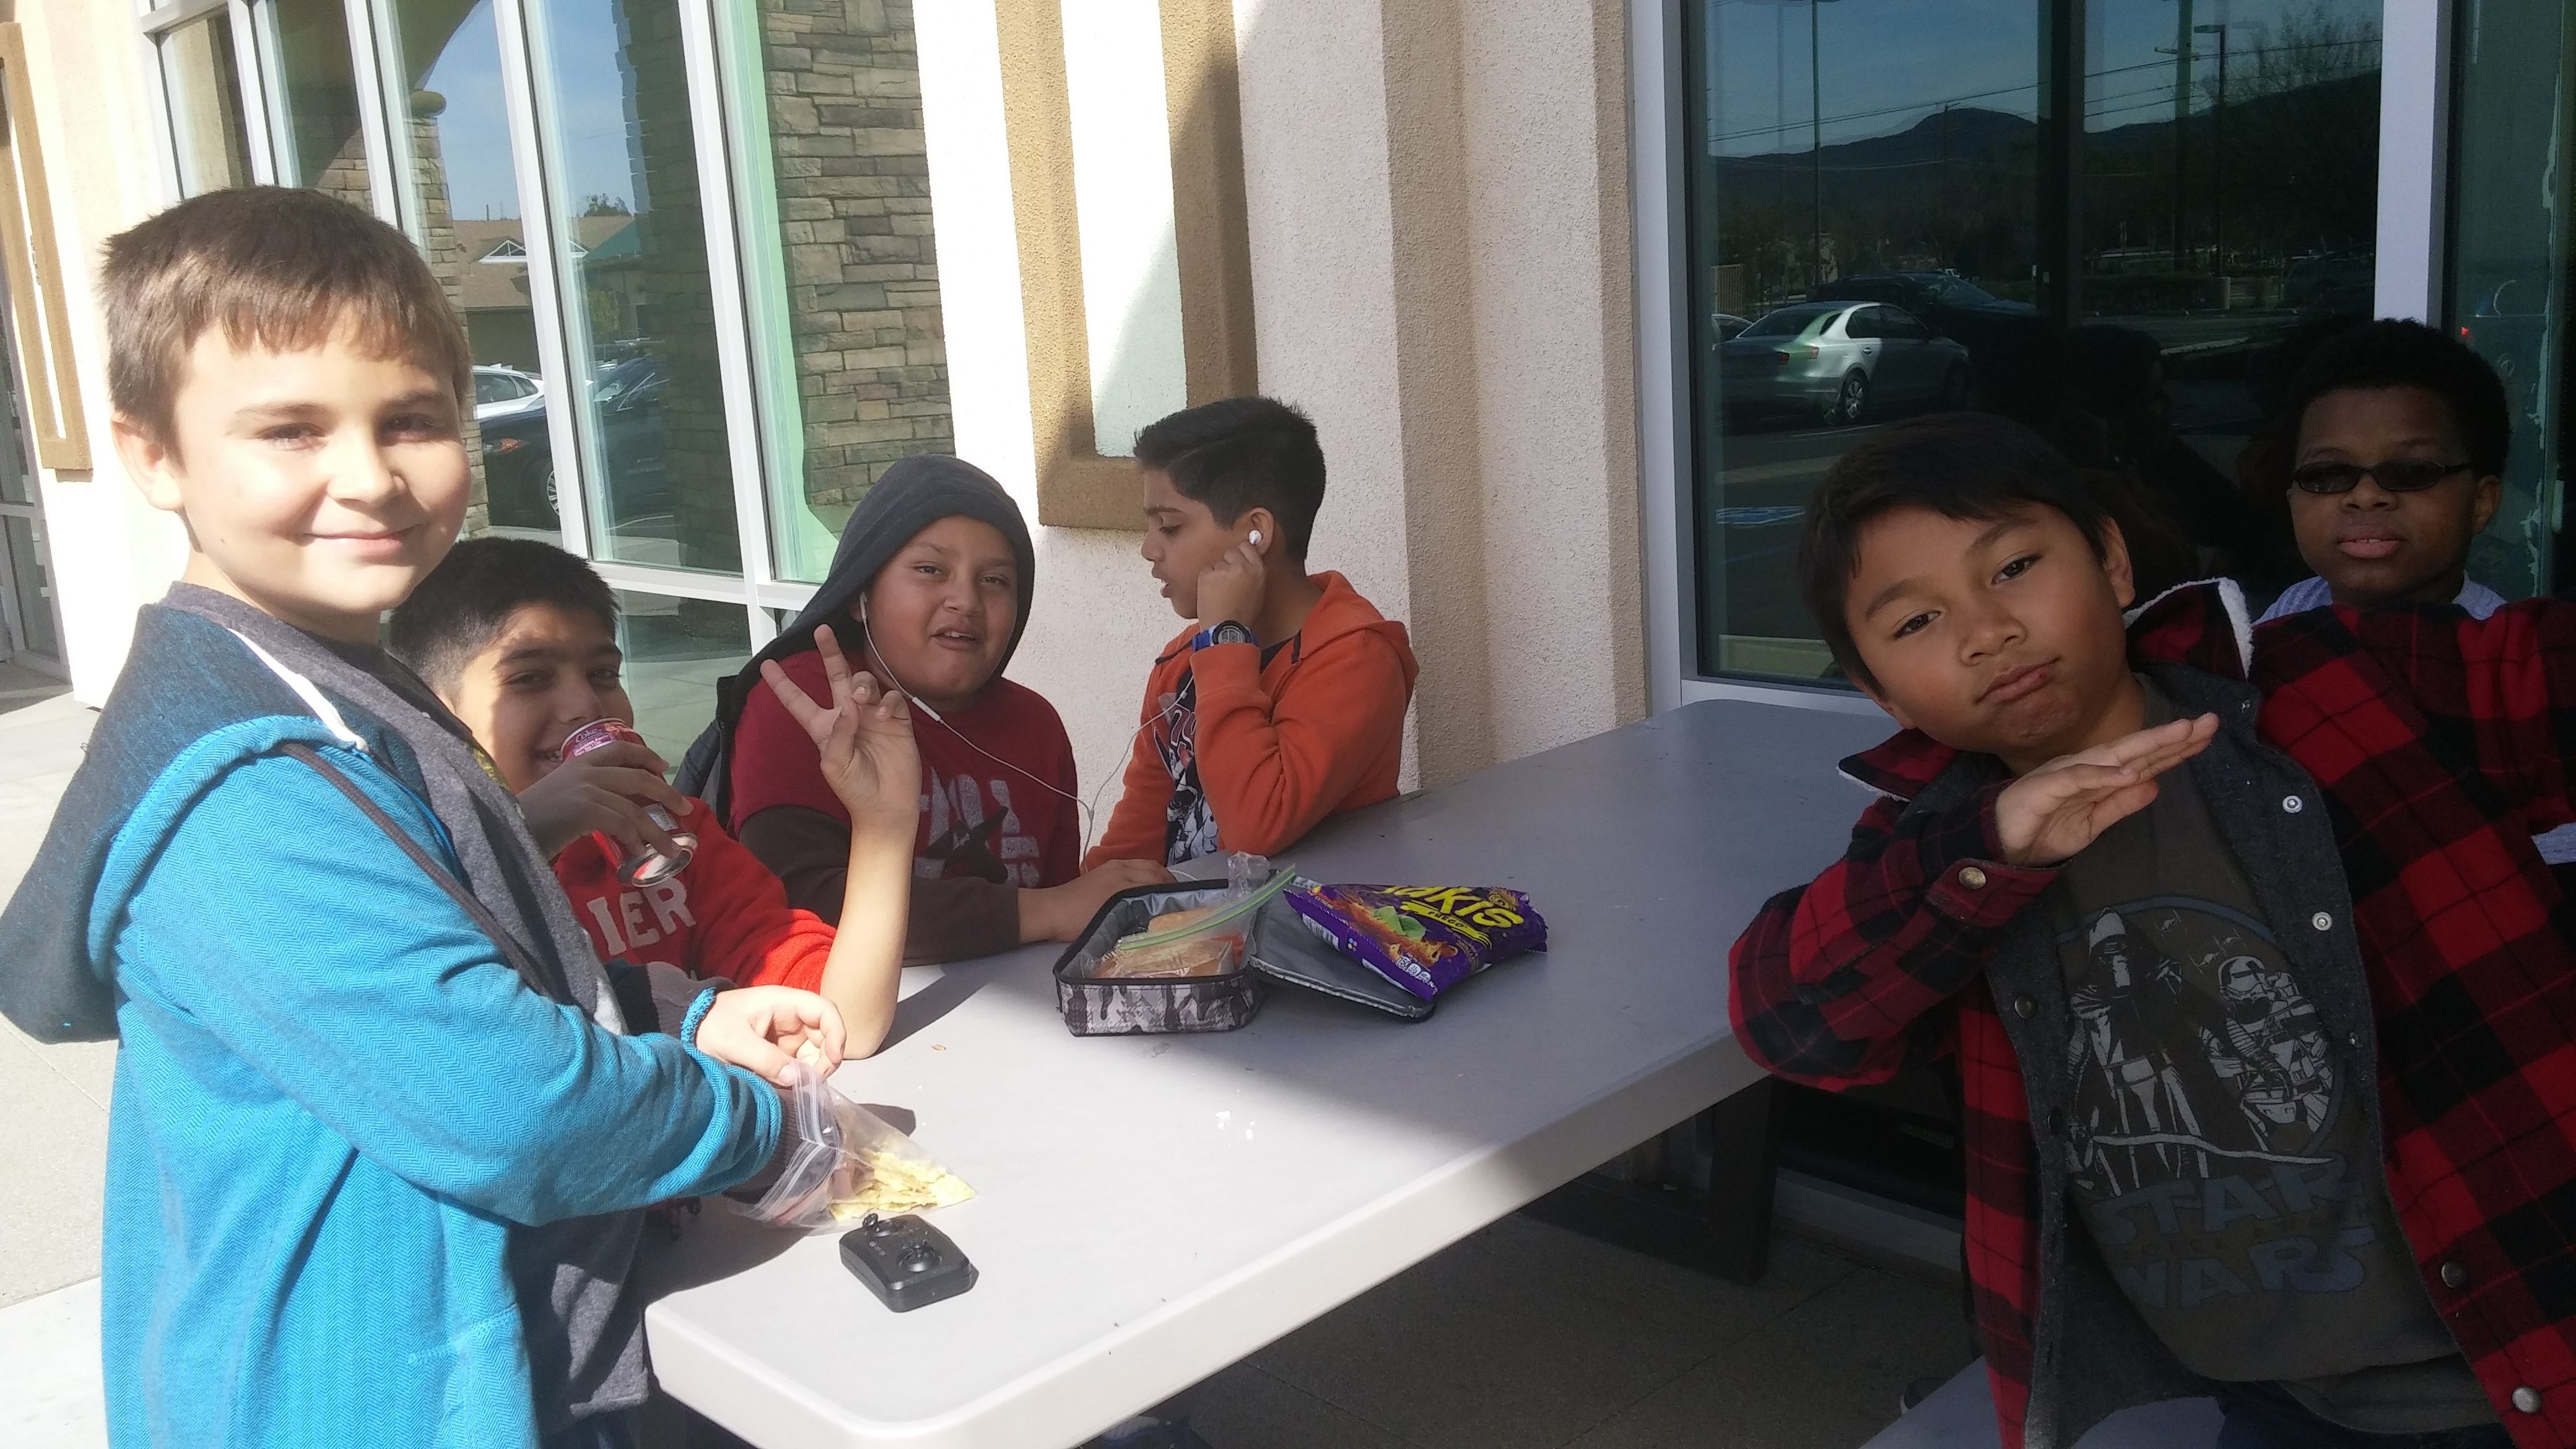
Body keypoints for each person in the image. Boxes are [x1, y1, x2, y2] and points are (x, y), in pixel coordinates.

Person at [0, 188, 842, 1448]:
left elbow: (457, 964)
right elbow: (515, 1109)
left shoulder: (342, 683)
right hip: (367, 1399)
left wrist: (676, 1007)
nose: (370, 478)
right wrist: (761, 1125)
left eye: (410, 420)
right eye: (290, 430)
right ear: (153, 453)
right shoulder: (245, 792)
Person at [1731, 411, 2576, 1449]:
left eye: (2015, 568)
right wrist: (1987, 854)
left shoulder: (2349, 681)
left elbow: (2540, 676)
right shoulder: (1934, 859)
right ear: (1878, 693)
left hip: (2536, 1324)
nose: (1986, 632)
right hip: (2286, 1403)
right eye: (1915, 623)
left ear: (2113, 561)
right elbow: (1788, 1020)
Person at [389, 537, 915, 1056]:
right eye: (530, 679)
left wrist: (884, 824)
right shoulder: (412, 869)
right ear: (434, 716)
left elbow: (841, 1021)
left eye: (603, 674)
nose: (583, 704)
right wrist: (526, 835)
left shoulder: (679, 837)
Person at [678, 456, 1168, 962]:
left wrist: (1062, 908)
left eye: (995, 580)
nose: (965, 600)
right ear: (860, 595)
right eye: (930, 570)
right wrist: (1043, 911)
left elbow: (1064, 920)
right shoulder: (803, 703)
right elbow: (799, 906)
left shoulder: (1035, 725)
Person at [1087, 396, 1418, 868]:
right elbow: (1131, 846)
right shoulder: (1181, 662)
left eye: (1170, 527)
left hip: (1296, 912)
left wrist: (1225, 639)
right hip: (1186, 916)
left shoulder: (1358, 659)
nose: (1148, 549)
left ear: (1255, 535)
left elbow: (1257, 825)